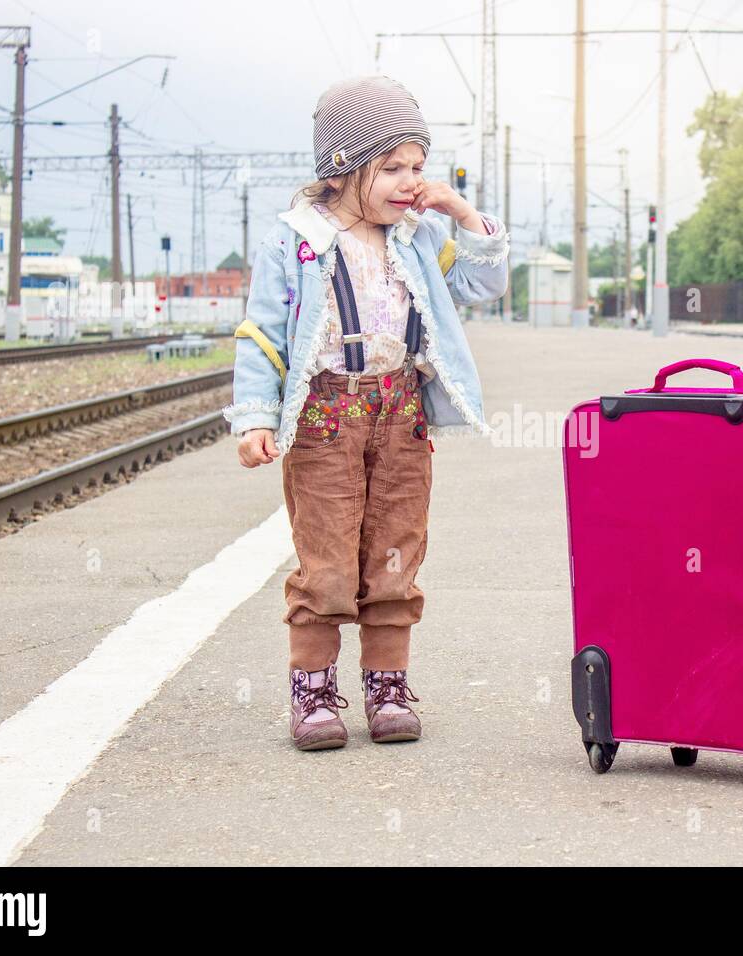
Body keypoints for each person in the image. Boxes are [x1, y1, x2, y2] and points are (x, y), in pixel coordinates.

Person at [222, 75, 509, 750]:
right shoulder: (294, 241)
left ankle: (386, 686)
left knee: (395, 553)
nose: (411, 182)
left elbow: (486, 283)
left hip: (400, 413)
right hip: (324, 418)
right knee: (325, 560)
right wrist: (257, 418)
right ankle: (314, 692)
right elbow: (262, 335)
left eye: (418, 167)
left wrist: (462, 214)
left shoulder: (419, 237)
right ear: (343, 168)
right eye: (392, 168)